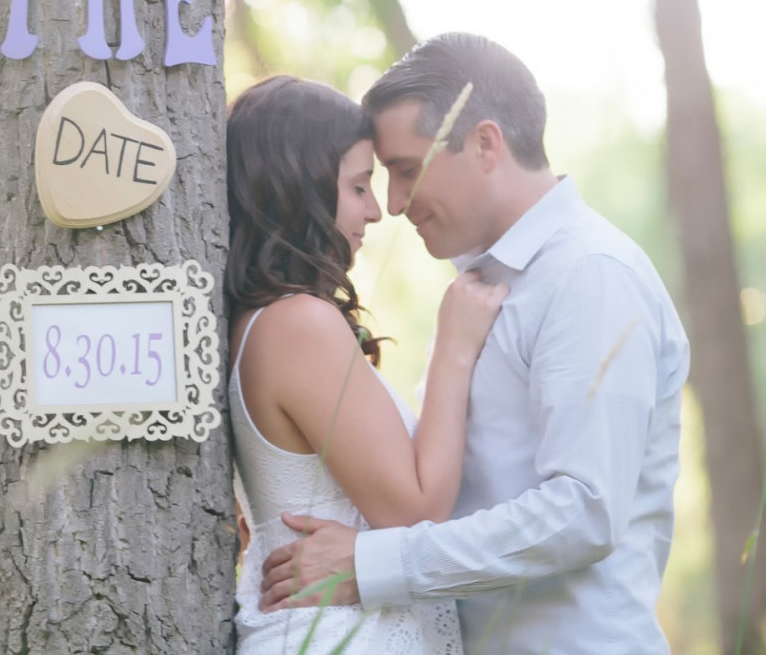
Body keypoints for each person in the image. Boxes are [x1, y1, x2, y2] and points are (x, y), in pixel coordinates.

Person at [258, 33, 690, 654]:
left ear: (486, 144)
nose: (396, 204)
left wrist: (369, 564)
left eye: (407, 171)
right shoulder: (480, 287)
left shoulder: (590, 274)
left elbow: (584, 511)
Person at [225, 74, 507, 653]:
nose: (377, 211)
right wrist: (452, 347)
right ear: (298, 189)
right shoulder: (296, 323)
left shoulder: (266, 318)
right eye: (358, 187)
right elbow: (415, 508)